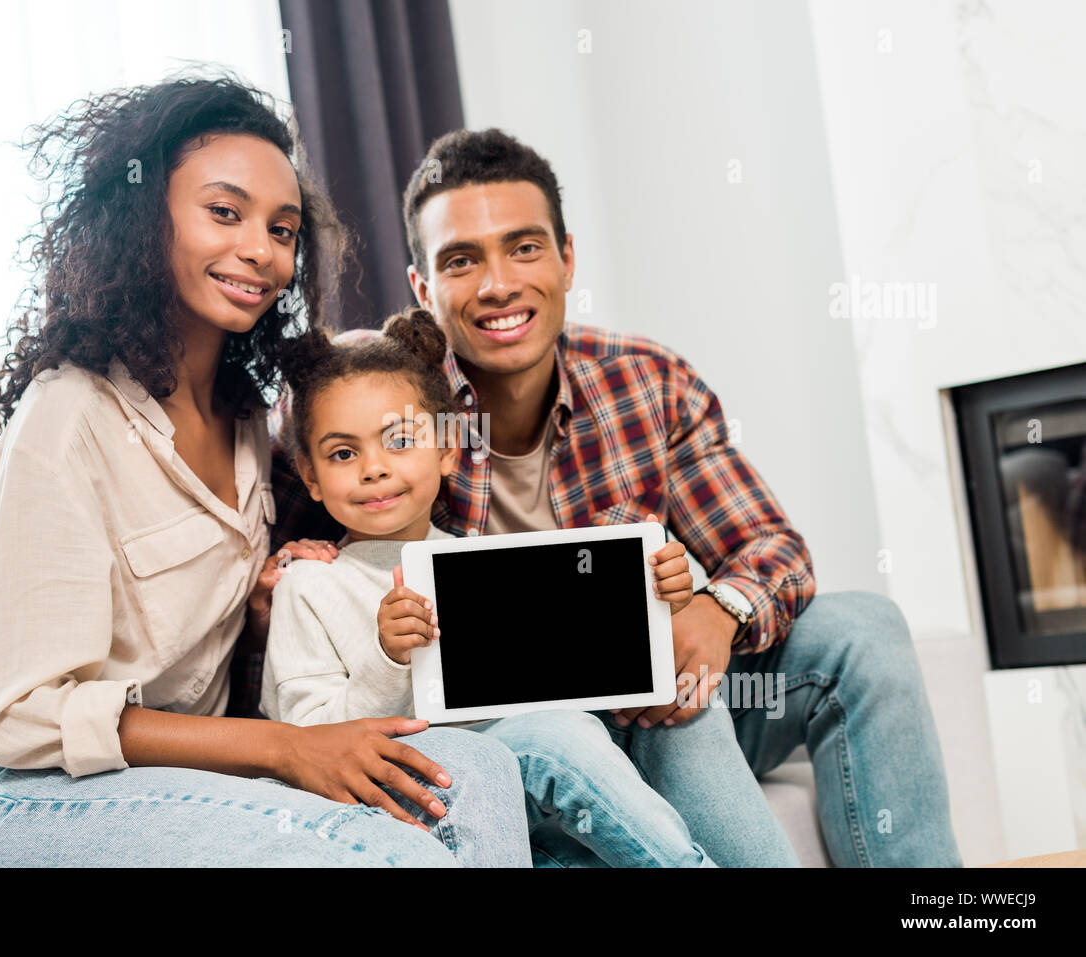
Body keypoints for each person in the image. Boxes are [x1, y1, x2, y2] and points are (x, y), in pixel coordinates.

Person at [263, 128, 964, 867]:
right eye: (462, 260)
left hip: (658, 689)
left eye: (525, 247)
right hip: (528, 722)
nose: (498, 284)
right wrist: (280, 573)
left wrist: (712, 611)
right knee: (592, 724)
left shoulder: (644, 378)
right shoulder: (382, 403)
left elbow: (770, 550)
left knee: (864, 624)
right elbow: (316, 592)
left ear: (568, 259)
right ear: (423, 288)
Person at [0, 74, 531, 868]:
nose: (260, 250)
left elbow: (378, 426)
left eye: (282, 229)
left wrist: (273, 596)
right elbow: (22, 716)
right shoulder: (67, 415)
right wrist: (280, 748)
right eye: (223, 212)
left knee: (473, 769)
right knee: (387, 853)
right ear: (143, 218)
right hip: (17, 783)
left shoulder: (248, 419)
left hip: (165, 763)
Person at [259, 308, 716, 867]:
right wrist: (387, 657)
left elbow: (578, 667)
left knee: (591, 746)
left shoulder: (477, 562)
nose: (373, 468)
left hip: (519, 788)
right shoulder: (308, 584)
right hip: (423, 780)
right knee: (557, 736)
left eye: (399, 441)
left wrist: (667, 589)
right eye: (343, 453)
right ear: (310, 476)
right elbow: (307, 738)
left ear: (449, 450)